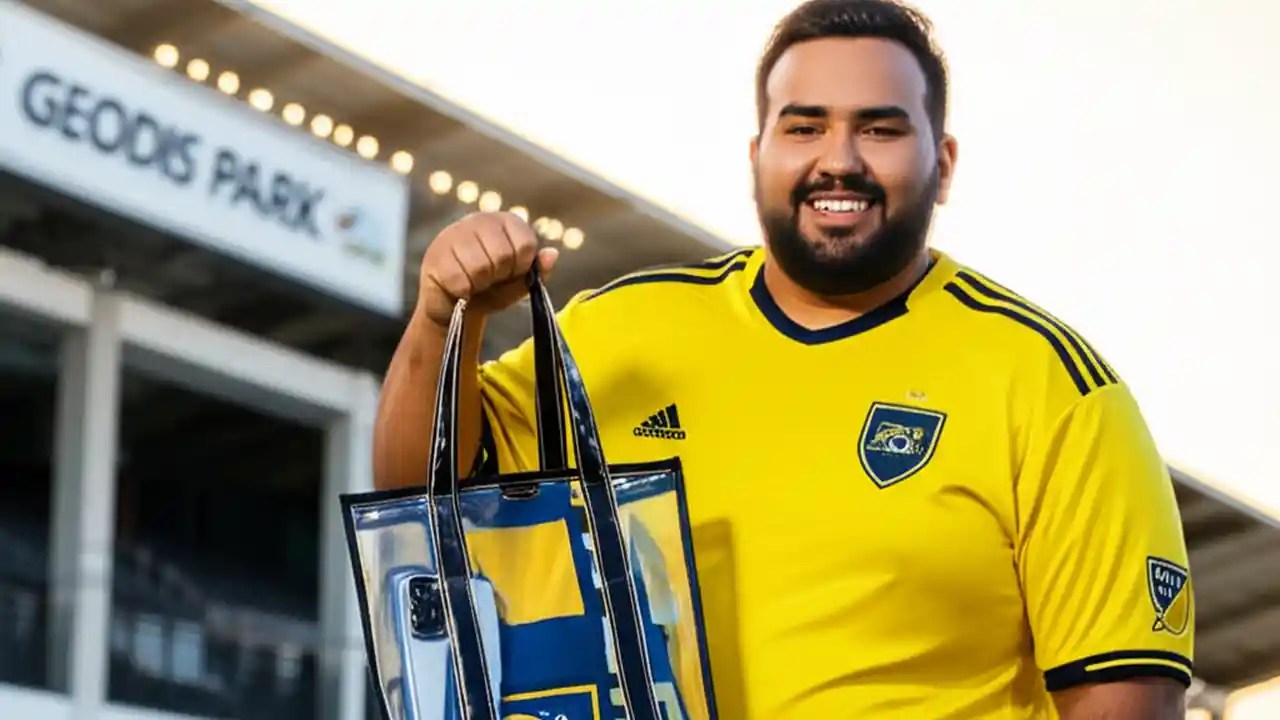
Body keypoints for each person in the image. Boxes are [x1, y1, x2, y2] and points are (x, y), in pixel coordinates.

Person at [372, 0, 1195, 717]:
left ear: (942, 166)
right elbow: (414, 492)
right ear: (758, 154)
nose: (839, 158)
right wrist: (445, 317)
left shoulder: (1051, 387)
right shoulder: (619, 332)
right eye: (805, 126)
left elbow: (1126, 701)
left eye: (880, 127)